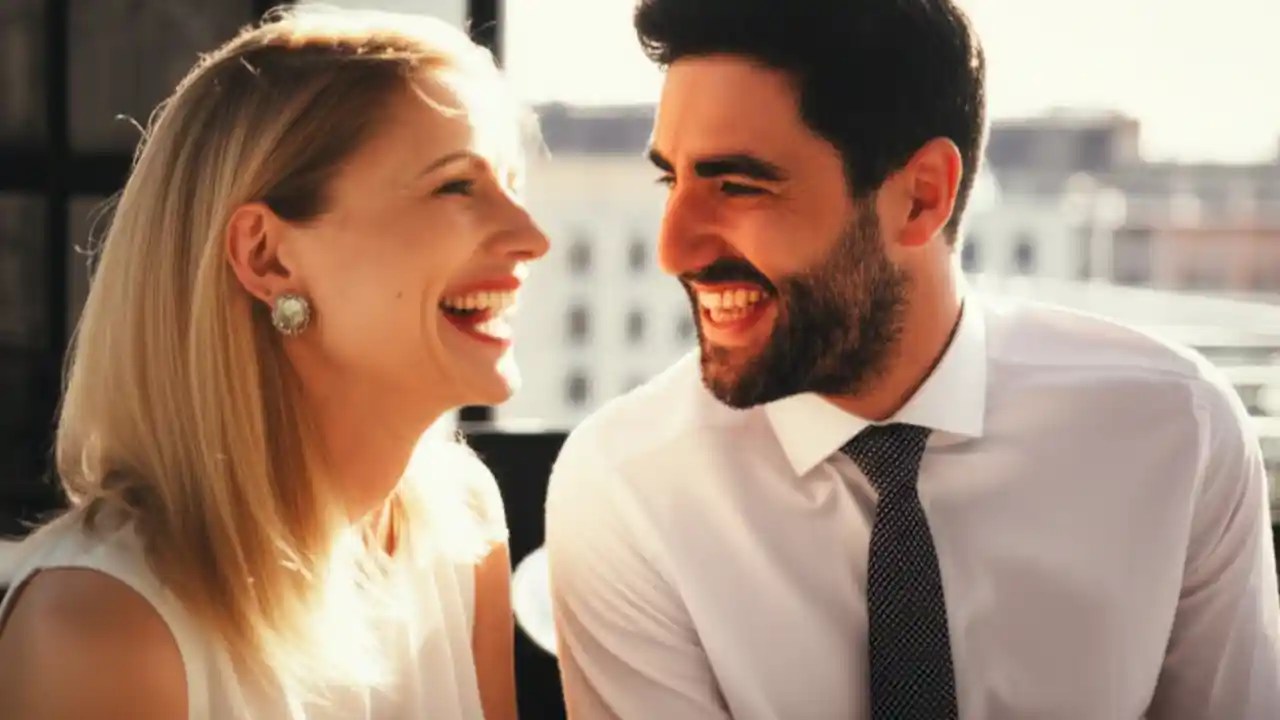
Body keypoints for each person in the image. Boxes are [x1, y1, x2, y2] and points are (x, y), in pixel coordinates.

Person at [545, 0, 1280, 718]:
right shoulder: (626, 488)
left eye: (738, 185)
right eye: (672, 180)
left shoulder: (1178, 430)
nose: (673, 249)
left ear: (921, 198)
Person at [0, 7, 548, 719]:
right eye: (455, 185)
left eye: (512, 183)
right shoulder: (100, 627)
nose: (531, 237)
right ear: (268, 256)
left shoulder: (456, 524)